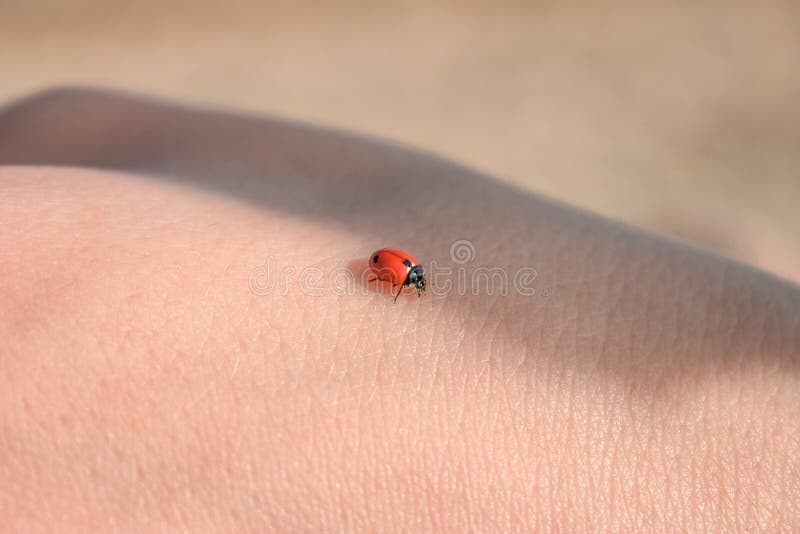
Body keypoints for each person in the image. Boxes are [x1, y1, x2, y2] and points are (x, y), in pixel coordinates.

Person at [1, 88, 797, 531]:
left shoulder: (403, 271)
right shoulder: (389, 271)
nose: (401, 286)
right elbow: (378, 268)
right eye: (402, 284)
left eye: (402, 284)